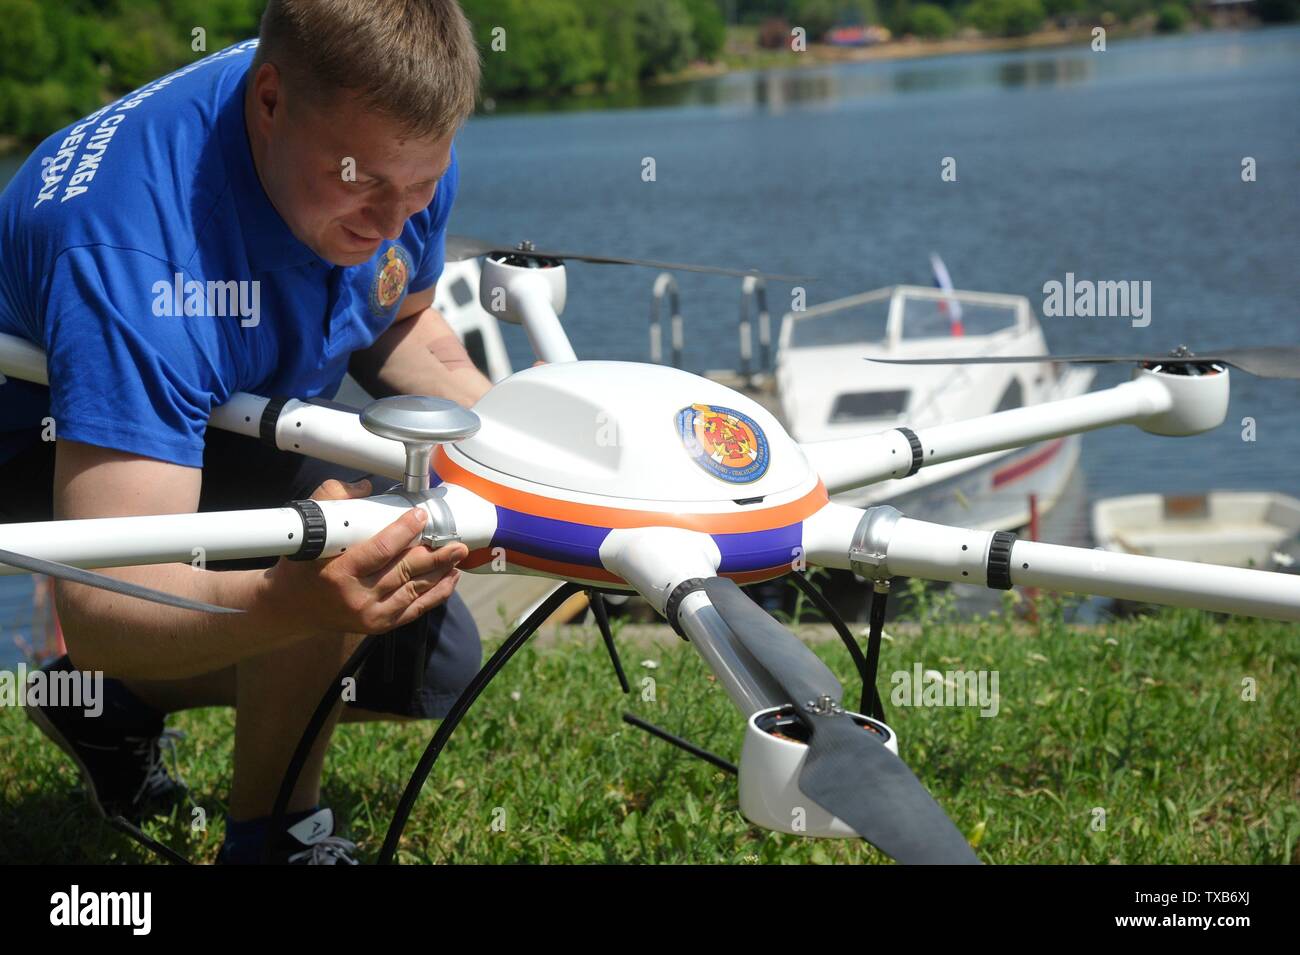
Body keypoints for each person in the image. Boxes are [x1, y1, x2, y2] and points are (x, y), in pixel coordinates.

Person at [0, 0, 489, 864]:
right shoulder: (137, 258)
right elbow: (106, 605)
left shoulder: (382, 139)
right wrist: (283, 603)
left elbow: (399, 321)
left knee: (428, 668)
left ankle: (106, 708)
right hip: (52, 446)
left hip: (222, 405)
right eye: (365, 186)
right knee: (326, 564)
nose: (393, 223)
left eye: (418, 192)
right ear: (269, 102)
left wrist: (516, 450)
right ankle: (273, 836)